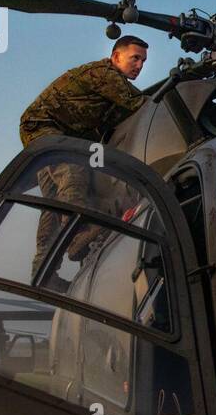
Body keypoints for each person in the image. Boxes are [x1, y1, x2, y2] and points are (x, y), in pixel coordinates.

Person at [19, 37, 150, 281]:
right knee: (74, 170)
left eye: (143, 60)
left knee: (53, 203)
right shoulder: (106, 74)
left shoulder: (110, 87)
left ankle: (43, 271)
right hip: (45, 128)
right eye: (135, 58)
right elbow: (141, 104)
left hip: (48, 132)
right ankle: (78, 235)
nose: (140, 65)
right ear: (116, 57)